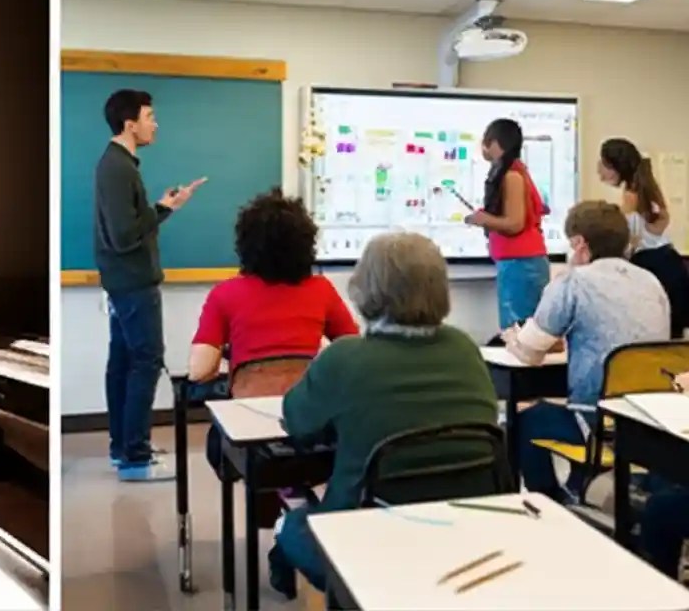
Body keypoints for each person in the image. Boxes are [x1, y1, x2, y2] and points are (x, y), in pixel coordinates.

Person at [269, 232, 498, 597]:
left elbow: (297, 423)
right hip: (467, 537)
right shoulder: (465, 348)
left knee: (292, 525)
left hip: (365, 542)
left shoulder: (344, 358)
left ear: (365, 288)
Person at [503, 201, 670, 501]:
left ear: (580, 243)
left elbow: (530, 354)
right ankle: (586, 485)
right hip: (647, 422)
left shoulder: (574, 282)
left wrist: (511, 338)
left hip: (597, 419)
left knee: (524, 418)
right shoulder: (651, 282)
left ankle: (551, 500)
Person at [188, 189, 358, 475]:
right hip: (311, 428)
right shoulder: (322, 290)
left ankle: (275, 504)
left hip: (249, 434)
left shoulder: (225, 295)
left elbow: (199, 371)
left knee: (219, 445)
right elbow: (354, 351)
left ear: (245, 244)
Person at [95, 88, 205, 482]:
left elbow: (125, 228)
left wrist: (160, 207)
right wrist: (165, 209)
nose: (155, 124)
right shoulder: (118, 168)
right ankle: (136, 459)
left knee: (124, 362)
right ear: (130, 124)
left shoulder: (118, 164)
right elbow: (125, 236)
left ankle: (123, 448)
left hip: (124, 282)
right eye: (150, 116)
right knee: (144, 361)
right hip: (133, 283)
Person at [464, 118, 551, 330]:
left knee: (518, 332)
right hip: (518, 262)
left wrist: (484, 220)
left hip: (521, 263)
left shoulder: (512, 175)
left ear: (493, 143)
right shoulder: (512, 170)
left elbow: (515, 223)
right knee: (519, 331)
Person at [598, 138, 689, 337]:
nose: (599, 170)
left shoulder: (632, 196)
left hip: (653, 267)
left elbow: (631, 240)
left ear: (617, 167)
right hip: (669, 264)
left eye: (603, 164)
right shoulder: (647, 190)